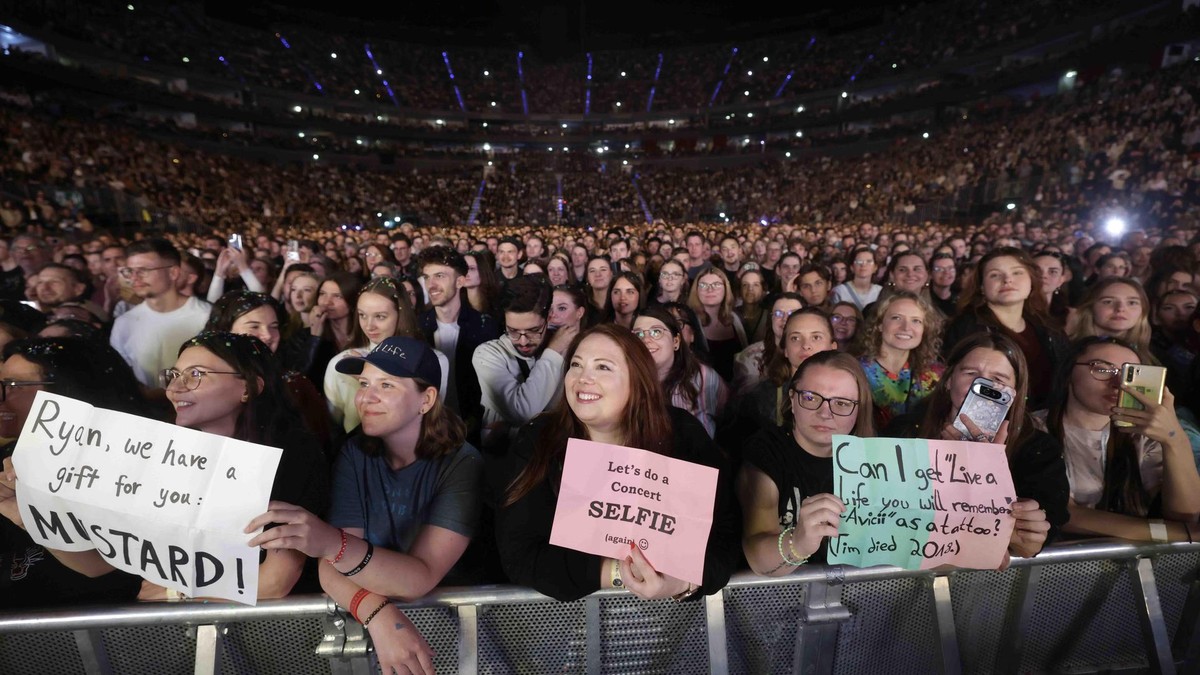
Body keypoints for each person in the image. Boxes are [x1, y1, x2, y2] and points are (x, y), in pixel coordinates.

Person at [246, 336, 481, 675]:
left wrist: (329, 542)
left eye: (386, 385)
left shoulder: (462, 463)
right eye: (364, 383)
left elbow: (419, 577)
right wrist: (378, 614)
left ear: (426, 399)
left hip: (456, 628)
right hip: (373, 624)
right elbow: (331, 568)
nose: (366, 397)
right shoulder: (354, 452)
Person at [491, 325, 739, 601]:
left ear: (637, 380)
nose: (584, 378)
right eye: (576, 365)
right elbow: (520, 556)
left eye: (603, 367)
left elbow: (724, 539)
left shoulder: (683, 434)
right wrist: (620, 574)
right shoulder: (538, 438)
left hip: (672, 620)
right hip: (565, 621)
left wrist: (682, 583)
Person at [887, 332, 1066, 561]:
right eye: (971, 374)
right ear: (949, 380)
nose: (981, 387)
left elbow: (1048, 523)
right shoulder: (904, 431)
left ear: (1015, 393)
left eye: (999, 379)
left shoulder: (1039, 449)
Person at [0, 338, 151, 607]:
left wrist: (29, 516)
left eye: (13, 385)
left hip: (119, 629)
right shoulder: (5, 462)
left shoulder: (133, 462)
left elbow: (103, 568)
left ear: (69, 390)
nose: (3, 396)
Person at [1035, 336, 1200, 542]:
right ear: (1068, 373)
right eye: (1103, 369)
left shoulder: (1141, 435)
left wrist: (1175, 441)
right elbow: (1063, 513)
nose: (1118, 383)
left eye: (1130, 374)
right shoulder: (1035, 429)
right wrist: (1172, 533)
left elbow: (1186, 514)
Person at [738, 352, 874, 572]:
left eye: (842, 403)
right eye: (811, 397)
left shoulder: (877, 462)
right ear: (792, 399)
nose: (825, 413)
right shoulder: (765, 453)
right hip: (775, 599)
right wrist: (798, 542)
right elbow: (758, 558)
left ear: (859, 409)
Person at [941, 247, 1066, 409]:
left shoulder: (1047, 327)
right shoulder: (967, 329)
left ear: (1031, 281)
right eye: (995, 275)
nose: (1007, 280)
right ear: (981, 287)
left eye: (1017, 273)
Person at [473, 276, 575, 451]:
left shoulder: (569, 348)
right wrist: (552, 352)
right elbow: (522, 411)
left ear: (549, 316)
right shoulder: (487, 353)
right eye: (512, 331)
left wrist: (510, 431)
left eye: (533, 331)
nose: (523, 341)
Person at [324, 277, 431, 433]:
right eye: (362, 315)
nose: (369, 325)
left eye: (380, 316)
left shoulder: (430, 361)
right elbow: (333, 424)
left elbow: (430, 420)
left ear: (401, 315)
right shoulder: (341, 363)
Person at [417, 246, 500, 442]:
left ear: (460, 281)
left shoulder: (485, 327)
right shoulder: (417, 328)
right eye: (427, 277)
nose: (431, 284)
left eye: (440, 276)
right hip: (426, 430)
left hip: (471, 431)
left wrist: (476, 420)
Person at [109, 239, 211, 388]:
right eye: (130, 271)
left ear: (173, 272)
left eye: (144, 270)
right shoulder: (125, 322)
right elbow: (121, 375)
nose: (135, 278)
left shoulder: (206, 316)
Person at [634, 306, 729, 437]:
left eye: (656, 332)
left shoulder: (702, 377)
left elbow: (723, 420)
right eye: (638, 334)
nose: (646, 340)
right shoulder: (625, 380)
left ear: (676, 341)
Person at [856, 292, 945, 429]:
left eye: (916, 321)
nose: (906, 328)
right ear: (879, 325)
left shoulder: (936, 374)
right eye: (896, 318)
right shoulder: (855, 370)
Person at [732, 293, 804, 395]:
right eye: (778, 313)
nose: (785, 319)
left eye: (793, 313)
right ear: (771, 319)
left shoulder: (812, 352)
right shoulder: (748, 357)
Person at [688, 268, 746, 382]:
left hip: (738, 390)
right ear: (696, 290)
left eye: (717, 284)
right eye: (704, 285)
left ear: (726, 289)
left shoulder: (736, 319)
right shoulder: (689, 322)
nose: (710, 289)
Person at [1067, 278, 1153, 355]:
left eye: (1132, 303)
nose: (1120, 309)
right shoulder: (1066, 349)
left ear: (1143, 310)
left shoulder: (1150, 354)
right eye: (1108, 302)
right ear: (1090, 306)